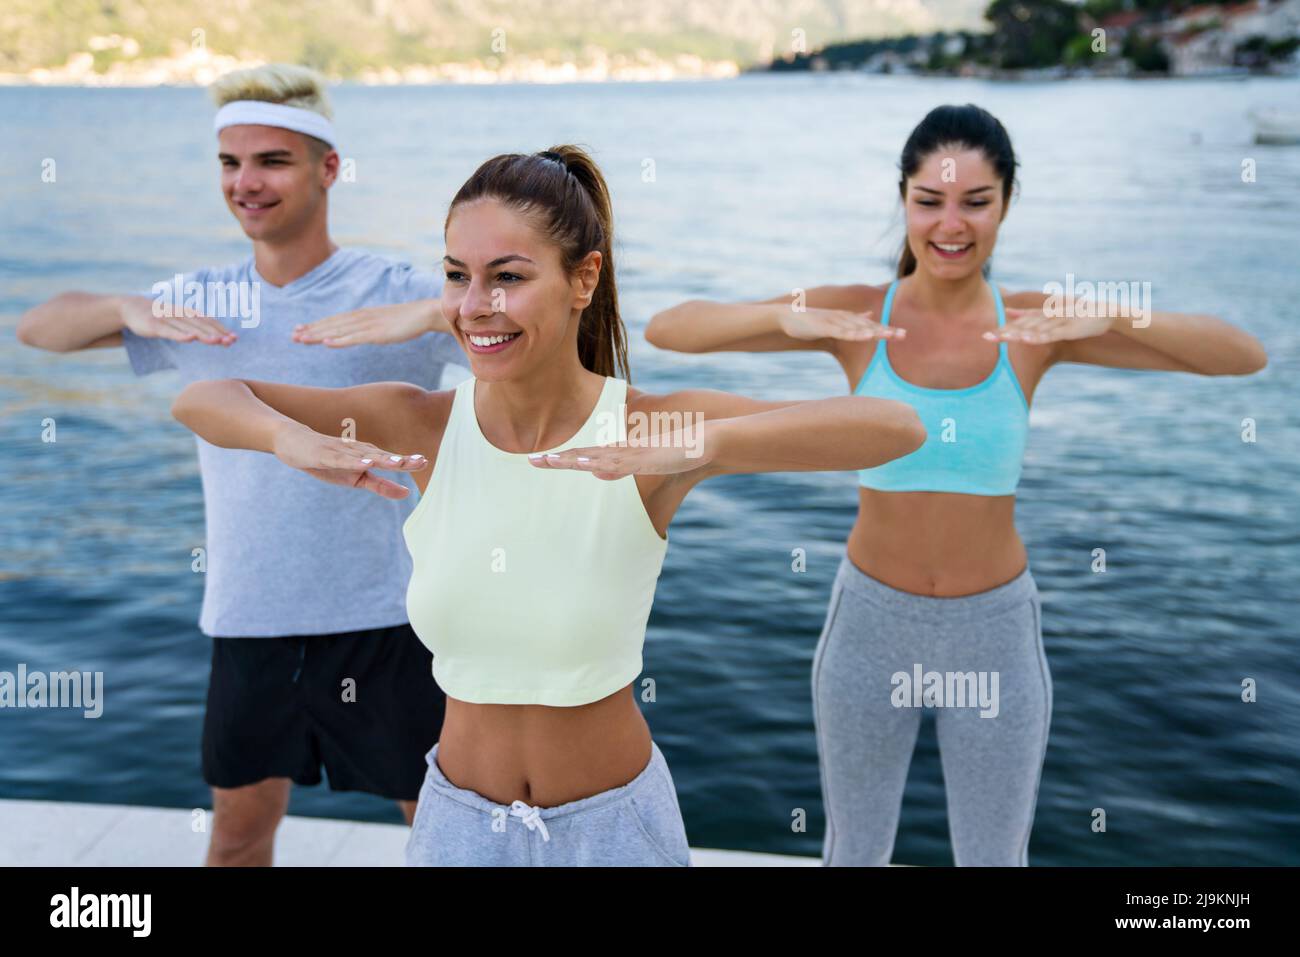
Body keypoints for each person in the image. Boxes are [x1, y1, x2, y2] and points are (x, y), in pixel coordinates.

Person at [167, 144, 927, 866]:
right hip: (459, 827)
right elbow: (207, 396)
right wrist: (287, 440)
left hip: (613, 828)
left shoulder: (646, 429)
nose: (474, 306)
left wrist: (698, 445)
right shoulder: (423, 424)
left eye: (507, 276)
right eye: (456, 276)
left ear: (583, 279)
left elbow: (894, 427)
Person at [644, 103, 1268, 866]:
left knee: (995, 858)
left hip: (995, 631)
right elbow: (670, 329)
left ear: (1007, 201)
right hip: (869, 622)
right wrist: (789, 317)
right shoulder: (855, 314)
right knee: (854, 853)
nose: (951, 224)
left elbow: (1240, 355)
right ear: (902, 198)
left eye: (977, 201)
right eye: (929, 200)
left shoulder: (1038, 325)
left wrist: (1108, 311)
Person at [16, 64, 466, 866]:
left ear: (329, 168)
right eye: (229, 163)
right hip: (250, 617)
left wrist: (443, 309)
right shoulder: (200, 300)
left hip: (389, 619)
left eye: (271, 161)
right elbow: (39, 330)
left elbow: (552, 340)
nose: (246, 183)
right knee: (236, 841)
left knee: (441, 838)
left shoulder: (393, 289)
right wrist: (126, 308)